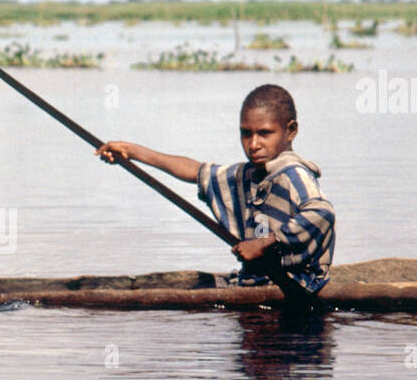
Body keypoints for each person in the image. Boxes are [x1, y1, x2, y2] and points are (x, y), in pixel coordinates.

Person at [95, 84, 334, 292]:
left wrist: (264, 243)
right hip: (257, 282)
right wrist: (132, 152)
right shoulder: (249, 174)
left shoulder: (295, 175)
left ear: (290, 130)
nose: (253, 144)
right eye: (245, 134)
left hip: (299, 284)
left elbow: (321, 213)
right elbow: (196, 171)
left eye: (264, 134)